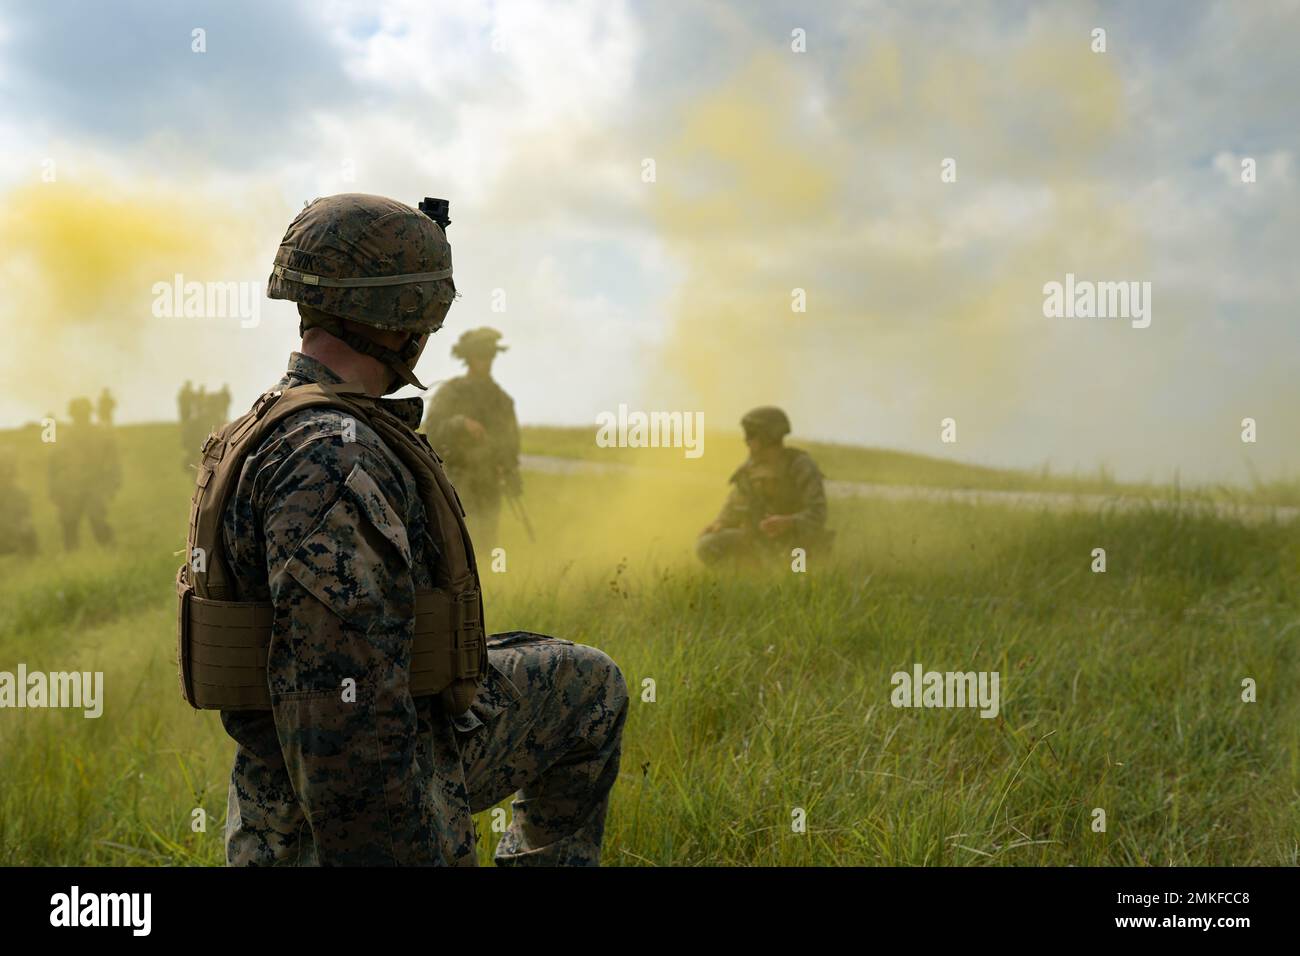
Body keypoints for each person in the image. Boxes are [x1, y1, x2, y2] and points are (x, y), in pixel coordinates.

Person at [176, 193, 627, 866]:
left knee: (586, 684)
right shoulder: (333, 455)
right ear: (408, 315)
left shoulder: (278, 423)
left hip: (284, 772)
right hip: (365, 797)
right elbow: (342, 711)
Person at [421, 328, 521, 547]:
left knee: (487, 540)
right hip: (457, 478)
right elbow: (433, 432)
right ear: (469, 357)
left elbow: (510, 443)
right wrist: (460, 424)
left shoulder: (502, 400)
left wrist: (511, 471)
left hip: (489, 481)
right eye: (480, 355)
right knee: (458, 542)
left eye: (490, 356)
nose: (486, 361)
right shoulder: (451, 392)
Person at [696, 406, 830, 567]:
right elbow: (734, 504)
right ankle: (750, 576)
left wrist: (788, 522)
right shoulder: (750, 469)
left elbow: (818, 514)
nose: (746, 440)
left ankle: (791, 574)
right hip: (759, 540)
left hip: (797, 543)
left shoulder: (800, 466)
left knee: (797, 573)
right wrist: (720, 523)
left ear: (768, 436)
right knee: (706, 545)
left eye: (751, 435)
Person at [47, 397, 120, 549]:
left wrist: (112, 484)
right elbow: (53, 465)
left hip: (94, 486)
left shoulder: (101, 435)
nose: (81, 418)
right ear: (73, 416)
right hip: (70, 488)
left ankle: (112, 552)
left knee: (98, 521)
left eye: (84, 414)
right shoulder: (64, 437)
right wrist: (53, 489)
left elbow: (112, 463)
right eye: (78, 415)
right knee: (69, 524)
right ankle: (72, 559)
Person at [0, 452, 38, 556]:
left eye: (9, 476)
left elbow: (26, 515)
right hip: (4, 528)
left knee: (29, 529)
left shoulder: (21, 494)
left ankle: (31, 558)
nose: (5, 479)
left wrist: (21, 526)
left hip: (13, 529)